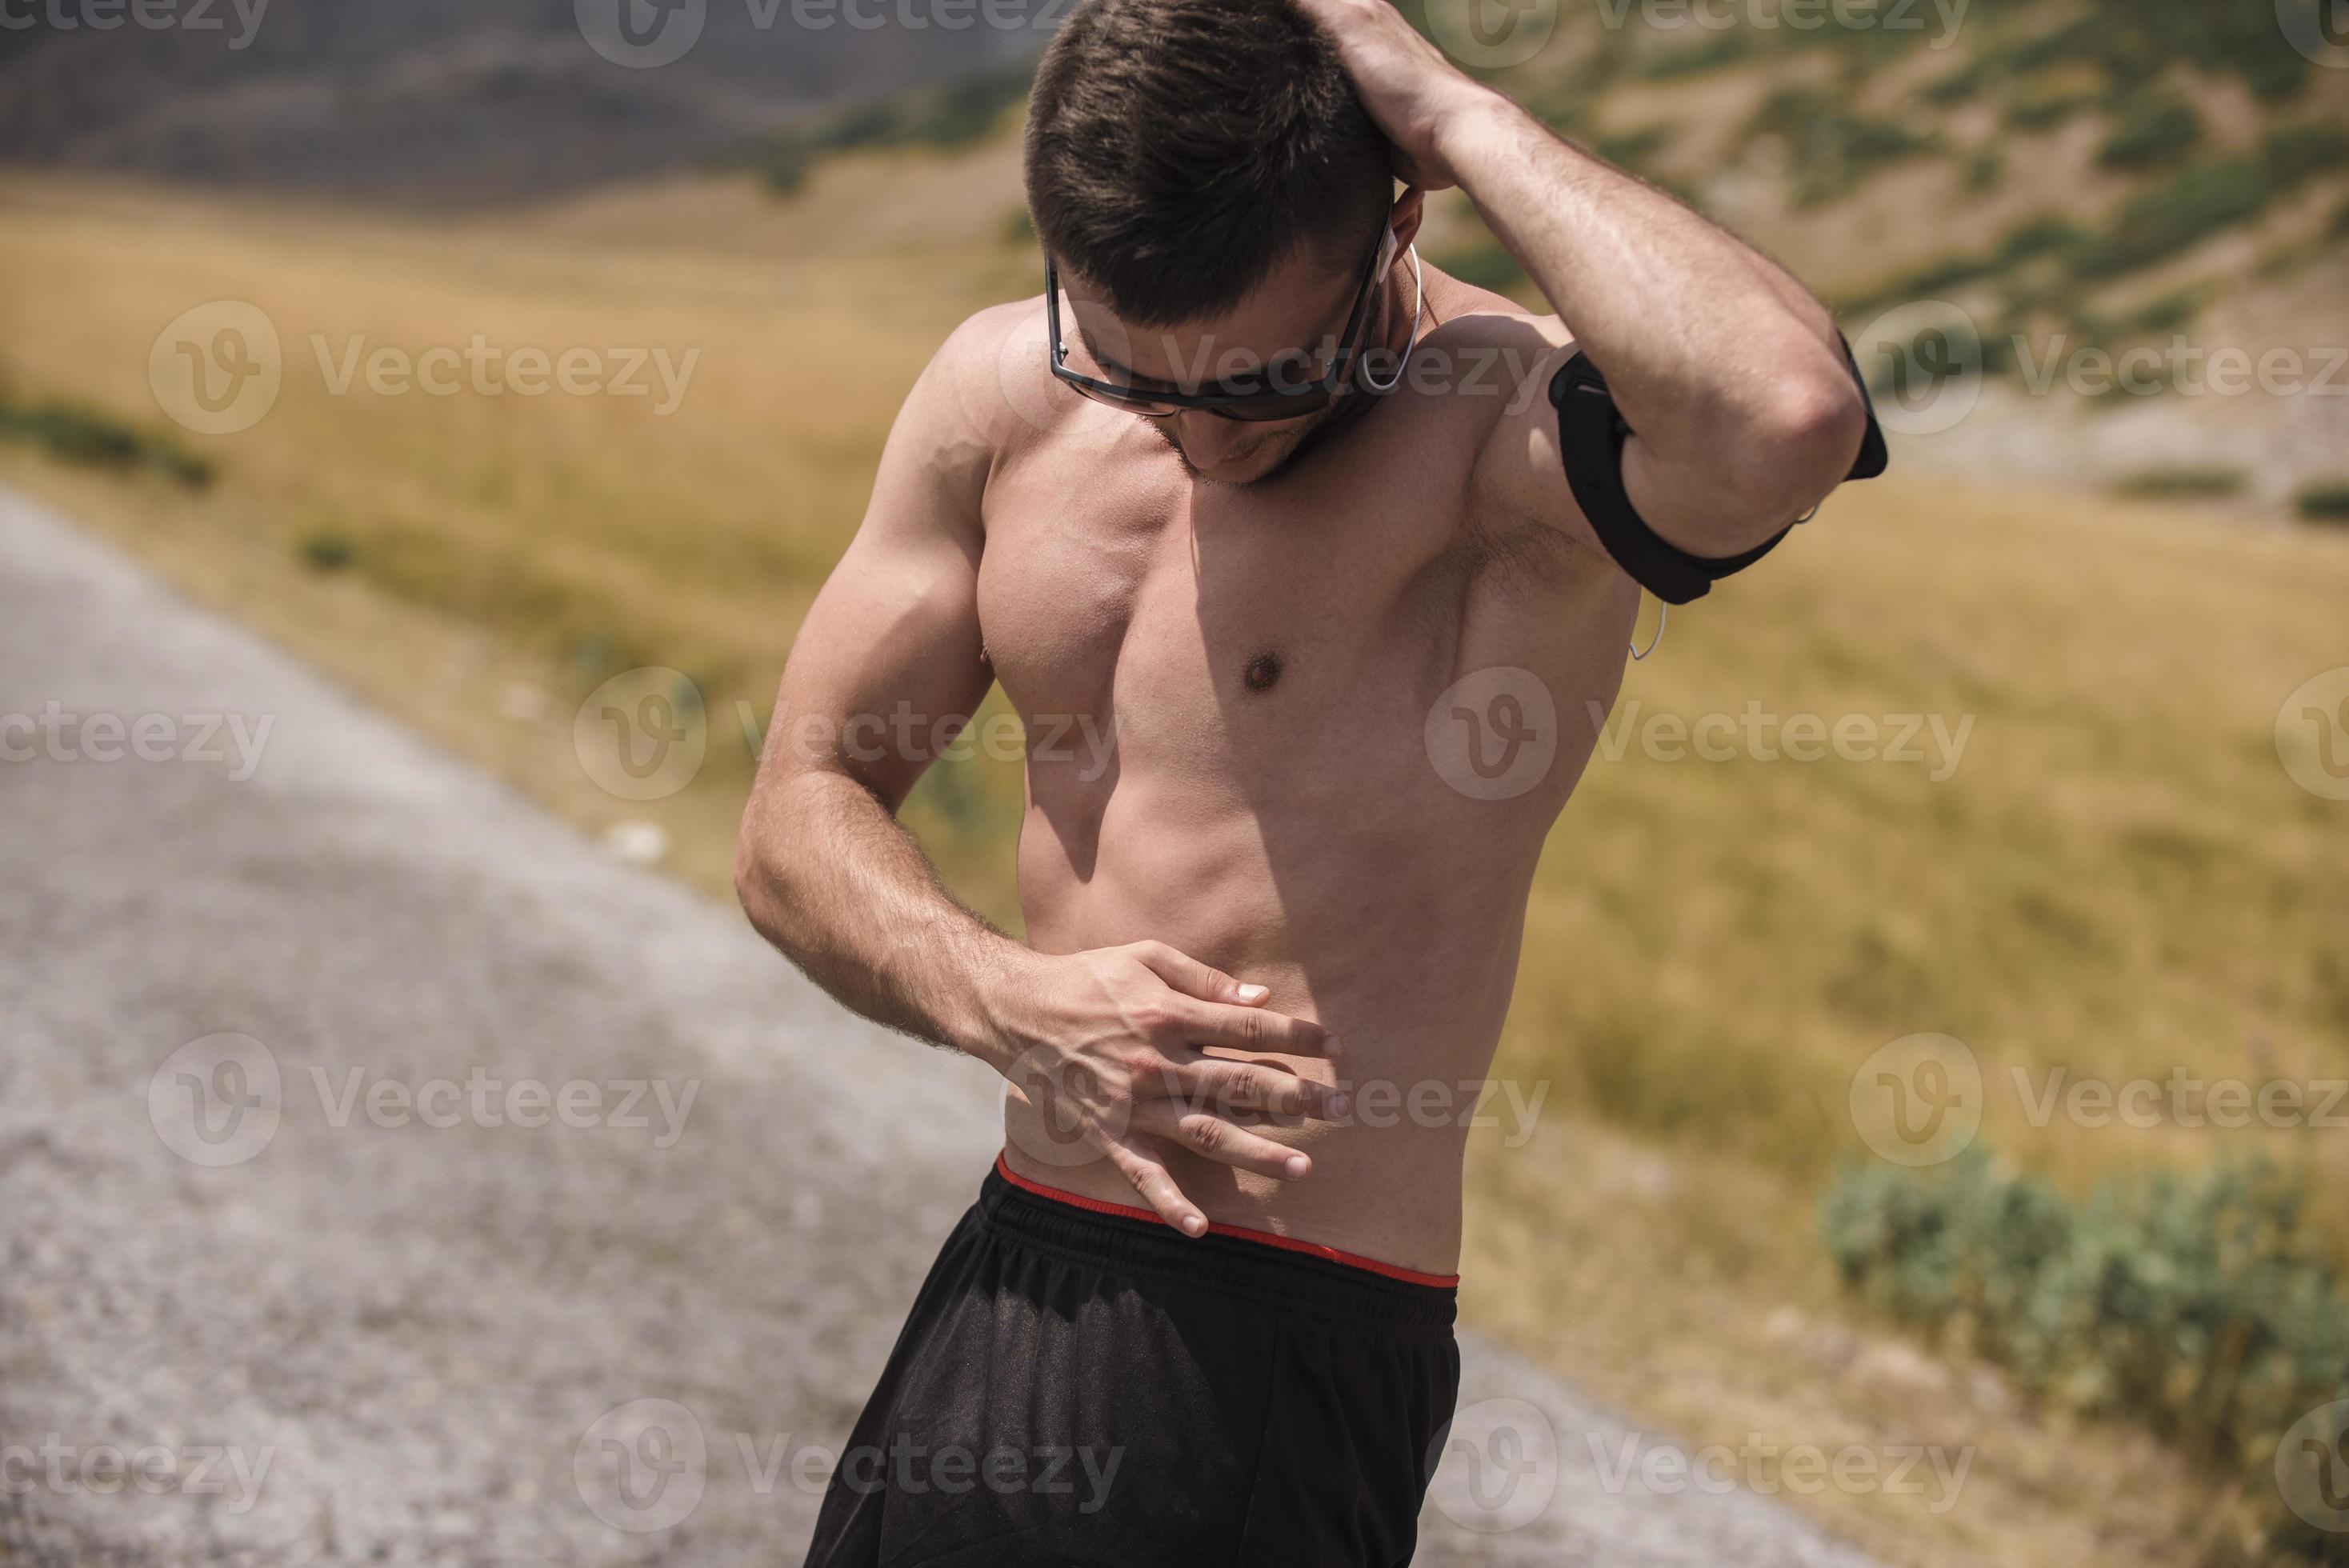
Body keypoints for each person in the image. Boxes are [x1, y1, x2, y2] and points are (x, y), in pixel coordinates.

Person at [736, 0, 1883, 1559]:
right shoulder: (1003, 392)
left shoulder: (1496, 440)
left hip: (1277, 1334)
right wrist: (998, 995)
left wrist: (1451, 109)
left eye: (1260, 383)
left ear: (1392, 217)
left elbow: (1781, 412)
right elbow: (796, 814)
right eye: (1140, 377)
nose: (1200, 443)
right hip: (1011, 1259)